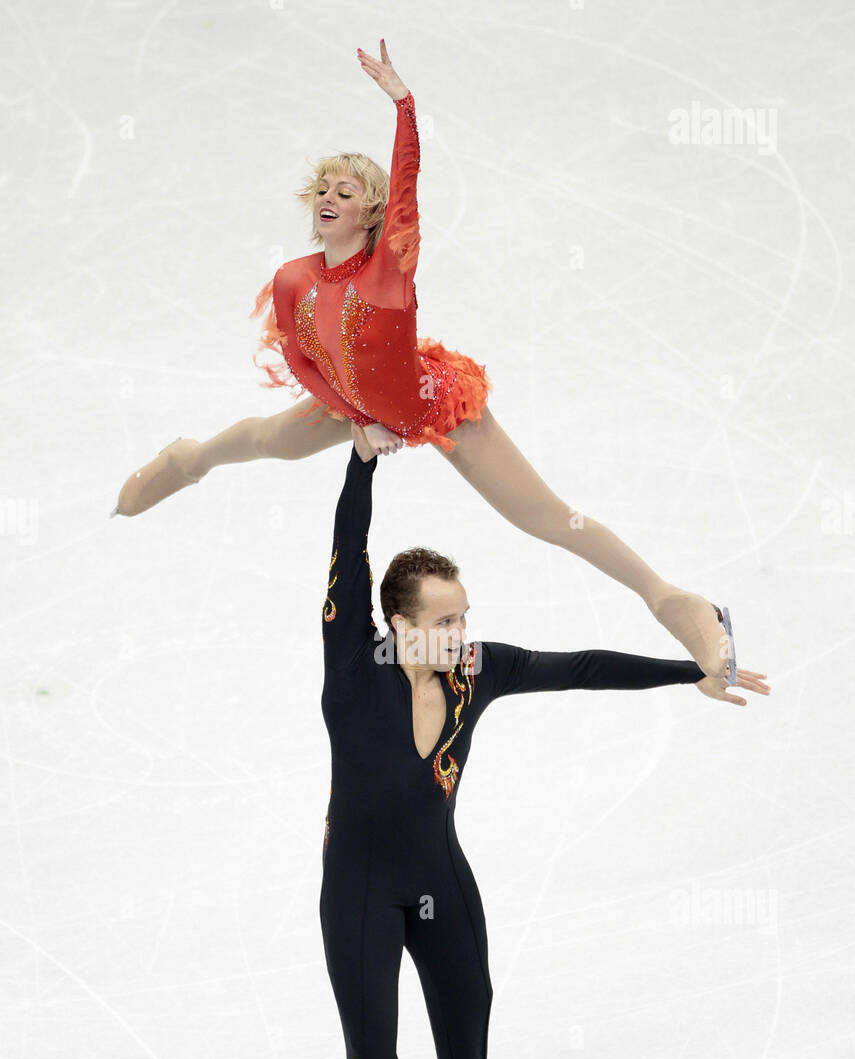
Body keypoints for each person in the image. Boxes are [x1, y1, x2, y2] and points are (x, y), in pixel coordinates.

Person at [112, 40, 737, 683]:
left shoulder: (392, 264)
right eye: (322, 187)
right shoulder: (294, 277)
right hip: (355, 402)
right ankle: (187, 458)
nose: (328, 196)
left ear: (372, 210)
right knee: (265, 438)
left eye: (346, 190)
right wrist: (357, 418)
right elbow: (299, 359)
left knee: (545, 518)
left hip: (431, 403)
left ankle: (669, 598)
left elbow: (407, 176)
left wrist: (402, 102)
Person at [323, 421, 769, 1059]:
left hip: (437, 875)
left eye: (465, 617)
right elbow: (349, 550)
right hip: (357, 886)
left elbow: (587, 666)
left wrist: (692, 670)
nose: (461, 633)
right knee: (372, 1039)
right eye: (444, 620)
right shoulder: (353, 663)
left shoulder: (478, 670)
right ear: (396, 621)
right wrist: (360, 461)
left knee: (468, 1002)